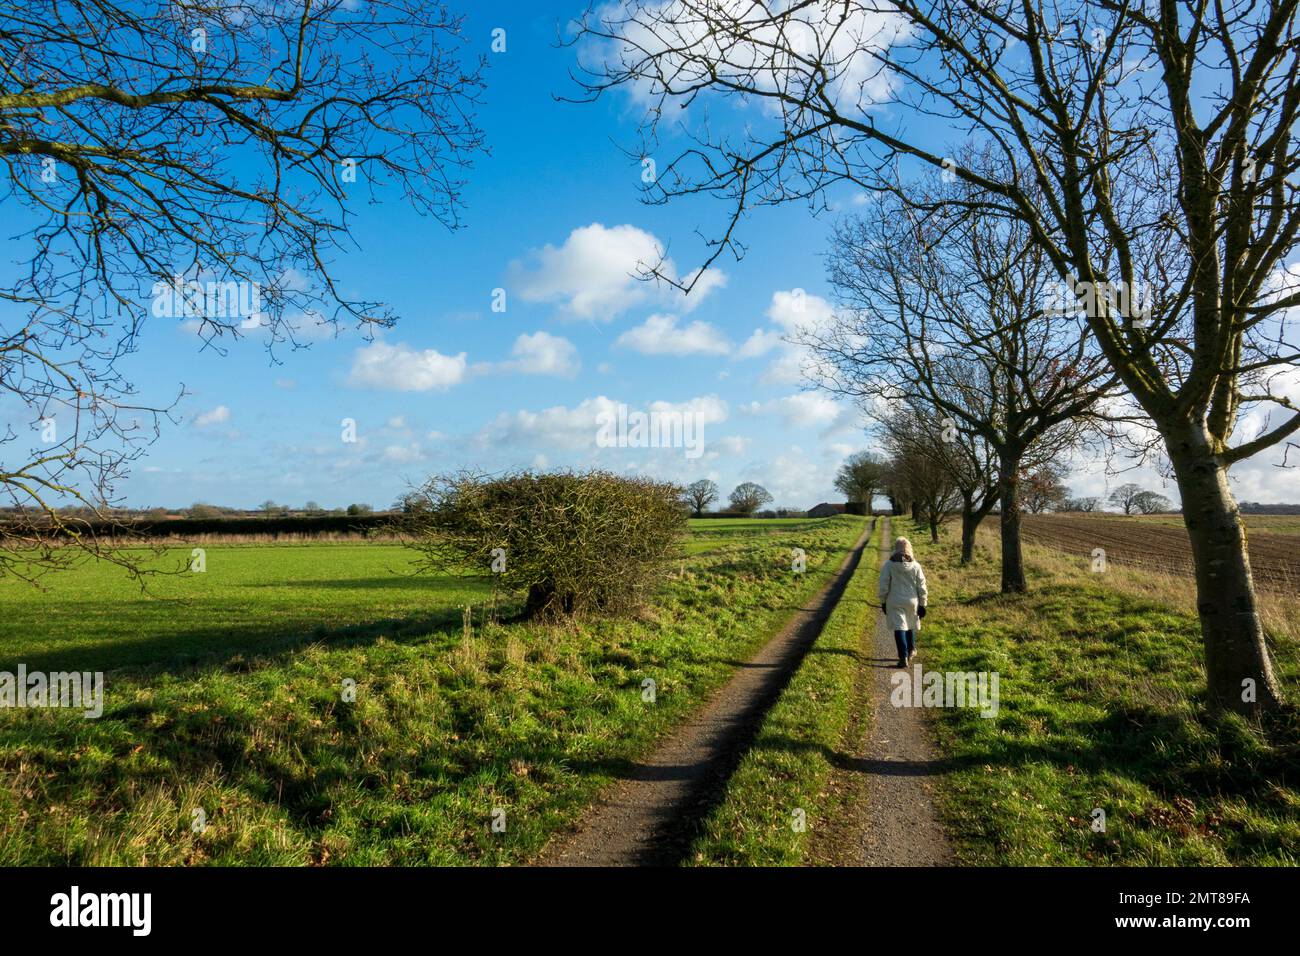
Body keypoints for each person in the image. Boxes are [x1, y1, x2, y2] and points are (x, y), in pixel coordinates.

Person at [877, 536, 928, 667]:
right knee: (910, 624)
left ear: (896, 549)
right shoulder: (916, 566)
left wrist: (883, 601)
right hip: (912, 601)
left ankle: (903, 657)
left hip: (894, 601)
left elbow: (883, 585)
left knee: (899, 627)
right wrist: (923, 604)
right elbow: (922, 586)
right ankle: (911, 650)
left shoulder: (889, 565)